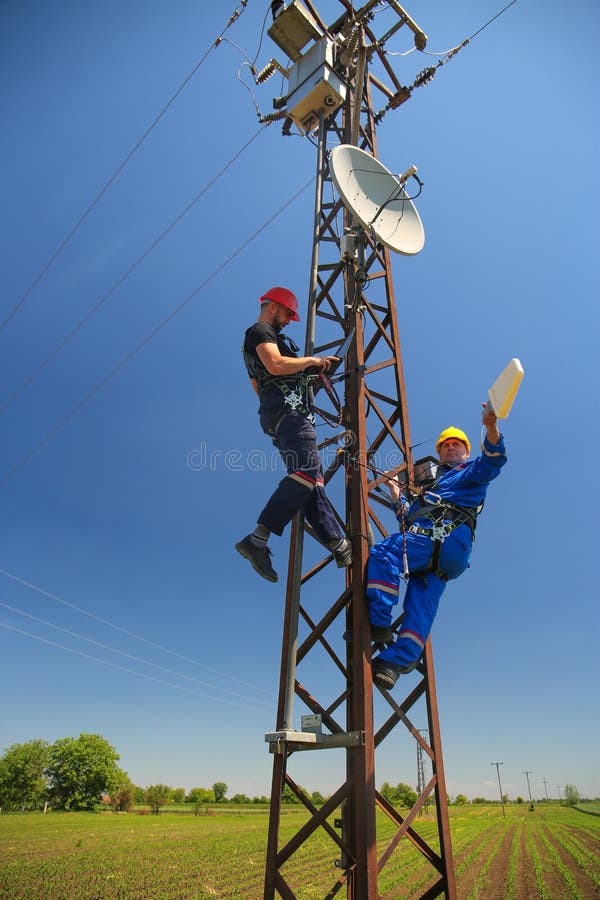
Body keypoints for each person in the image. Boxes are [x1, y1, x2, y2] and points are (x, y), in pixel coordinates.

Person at [368, 403, 507, 689]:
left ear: (466, 452)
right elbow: (410, 518)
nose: (451, 449)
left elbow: (492, 461)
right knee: (421, 605)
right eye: (446, 446)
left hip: (443, 538)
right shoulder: (432, 489)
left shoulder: (469, 472)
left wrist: (492, 428)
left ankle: (379, 624)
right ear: (440, 452)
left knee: (385, 552)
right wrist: (398, 497)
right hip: (449, 554)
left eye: (457, 445)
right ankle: (395, 664)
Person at [235, 286, 352, 582]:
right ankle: (258, 538)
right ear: (273, 306)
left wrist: (306, 374)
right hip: (289, 414)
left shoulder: (256, 344)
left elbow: (259, 386)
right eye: (288, 314)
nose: (288, 321)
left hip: (279, 415)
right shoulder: (261, 330)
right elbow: (275, 365)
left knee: (311, 481)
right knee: (308, 470)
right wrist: (312, 362)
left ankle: (337, 541)